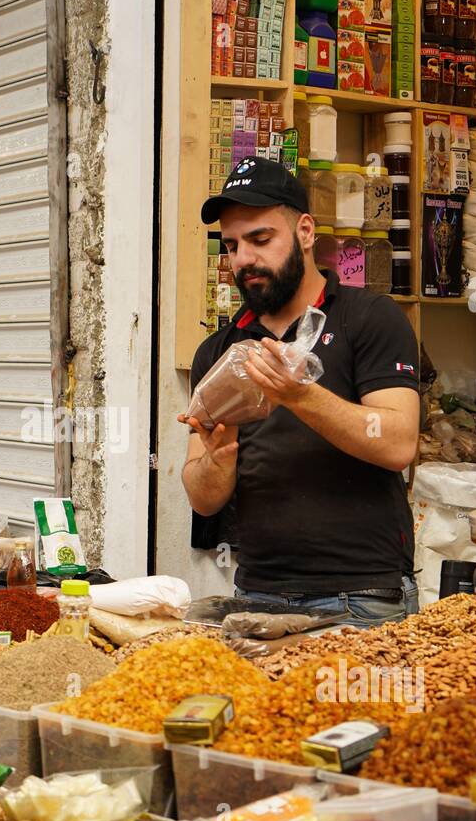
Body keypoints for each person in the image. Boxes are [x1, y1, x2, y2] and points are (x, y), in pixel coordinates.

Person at [179, 156, 421, 627]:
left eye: (260, 239)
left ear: (306, 232)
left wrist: (300, 395)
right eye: (230, 246)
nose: (244, 258)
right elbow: (203, 499)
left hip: (362, 599)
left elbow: (398, 444)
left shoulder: (369, 319)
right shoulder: (219, 351)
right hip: (255, 593)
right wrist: (218, 459)